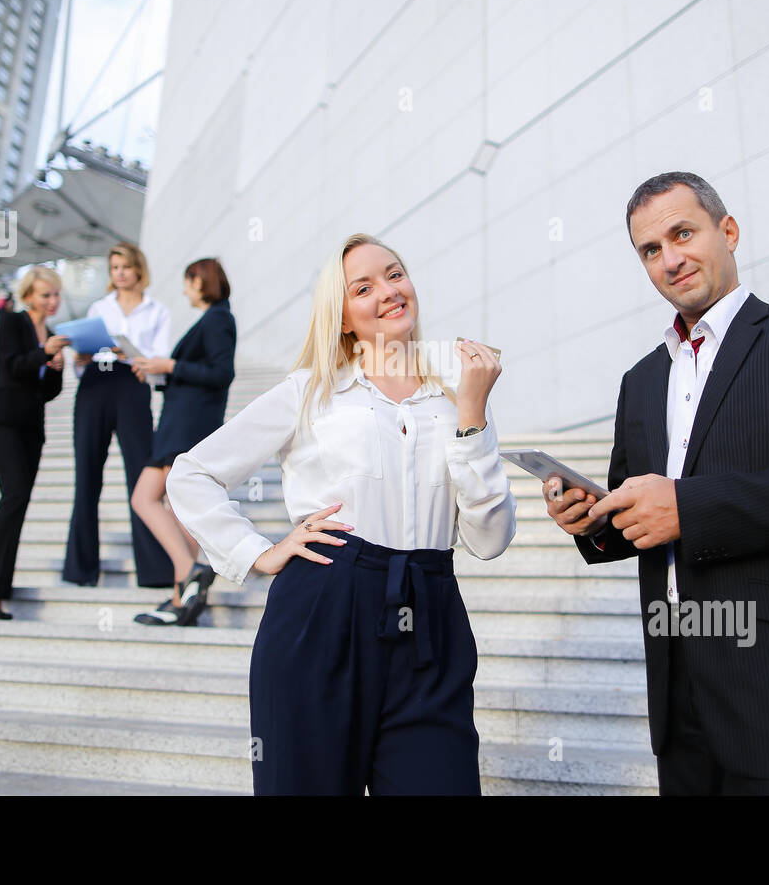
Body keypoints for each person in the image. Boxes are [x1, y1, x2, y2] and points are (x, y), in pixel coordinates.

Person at [541, 171, 769, 795]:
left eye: (683, 234)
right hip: (681, 699)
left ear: (728, 231)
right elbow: (639, 517)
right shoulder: (642, 379)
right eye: (650, 250)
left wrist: (689, 507)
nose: (670, 259)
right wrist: (594, 521)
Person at [166, 234, 516, 795]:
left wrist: (472, 412)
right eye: (364, 287)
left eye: (395, 274)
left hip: (430, 615)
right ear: (344, 316)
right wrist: (259, 553)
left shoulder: (457, 396)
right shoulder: (310, 392)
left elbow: (491, 538)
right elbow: (191, 474)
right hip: (323, 611)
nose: (388, 291)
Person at [130, 258, 237, 626]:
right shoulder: (211, 319)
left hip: (190, 424)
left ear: (200, 281)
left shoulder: (219, 318)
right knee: (170, 506)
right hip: (178, 420)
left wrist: (169, 366)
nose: (184, 289)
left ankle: (188, 573)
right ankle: (183, 598)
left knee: (146, 497)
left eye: (187, 281)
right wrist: (158, 374)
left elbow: (222, 373)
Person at [62, 243, 175, 588]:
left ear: (139, 269)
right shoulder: (99, 307)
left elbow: (160, 360)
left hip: (133, 387)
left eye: (125, 266)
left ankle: (155, 572)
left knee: (140, 477)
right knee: (87, 479)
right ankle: (80, 571)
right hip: (95, 386)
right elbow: (79, 355)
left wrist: (131, 354)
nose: (120, 273)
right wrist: (80, 359)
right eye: (114, 267)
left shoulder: (157, 311)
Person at [0, 267, 70, 619]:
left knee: (19, 501)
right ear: (29, 295)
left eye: (56, 294)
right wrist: (44, 352)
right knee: (12, 496)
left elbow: (47, 393)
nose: (52, 301)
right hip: (1, 421)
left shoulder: (54, 333)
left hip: (31, 427)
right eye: (45, 295)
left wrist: (56, 367)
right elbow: (11, 368)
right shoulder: (11, 323)